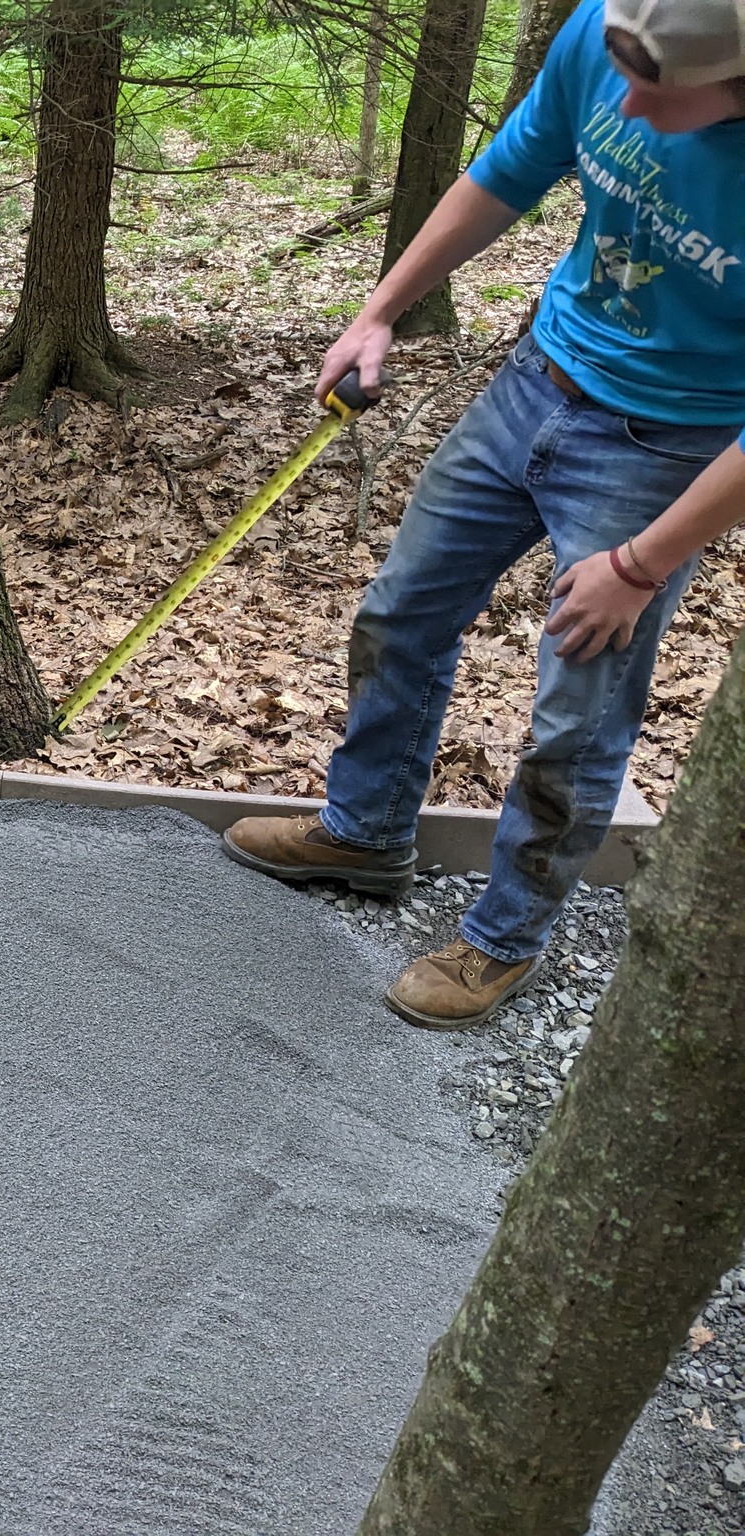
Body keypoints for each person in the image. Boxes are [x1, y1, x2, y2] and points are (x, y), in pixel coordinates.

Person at [222, 0, 745, 1028]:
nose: (626, 103)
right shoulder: (601, 29)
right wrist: (377, 310)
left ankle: (503, 939)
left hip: (662, 456)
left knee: (574, 719)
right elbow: (506, 170)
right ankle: (363, 830)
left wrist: (638, 566)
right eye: (619, 69)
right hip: (531, 387)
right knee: (399, 613)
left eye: (659, 90)